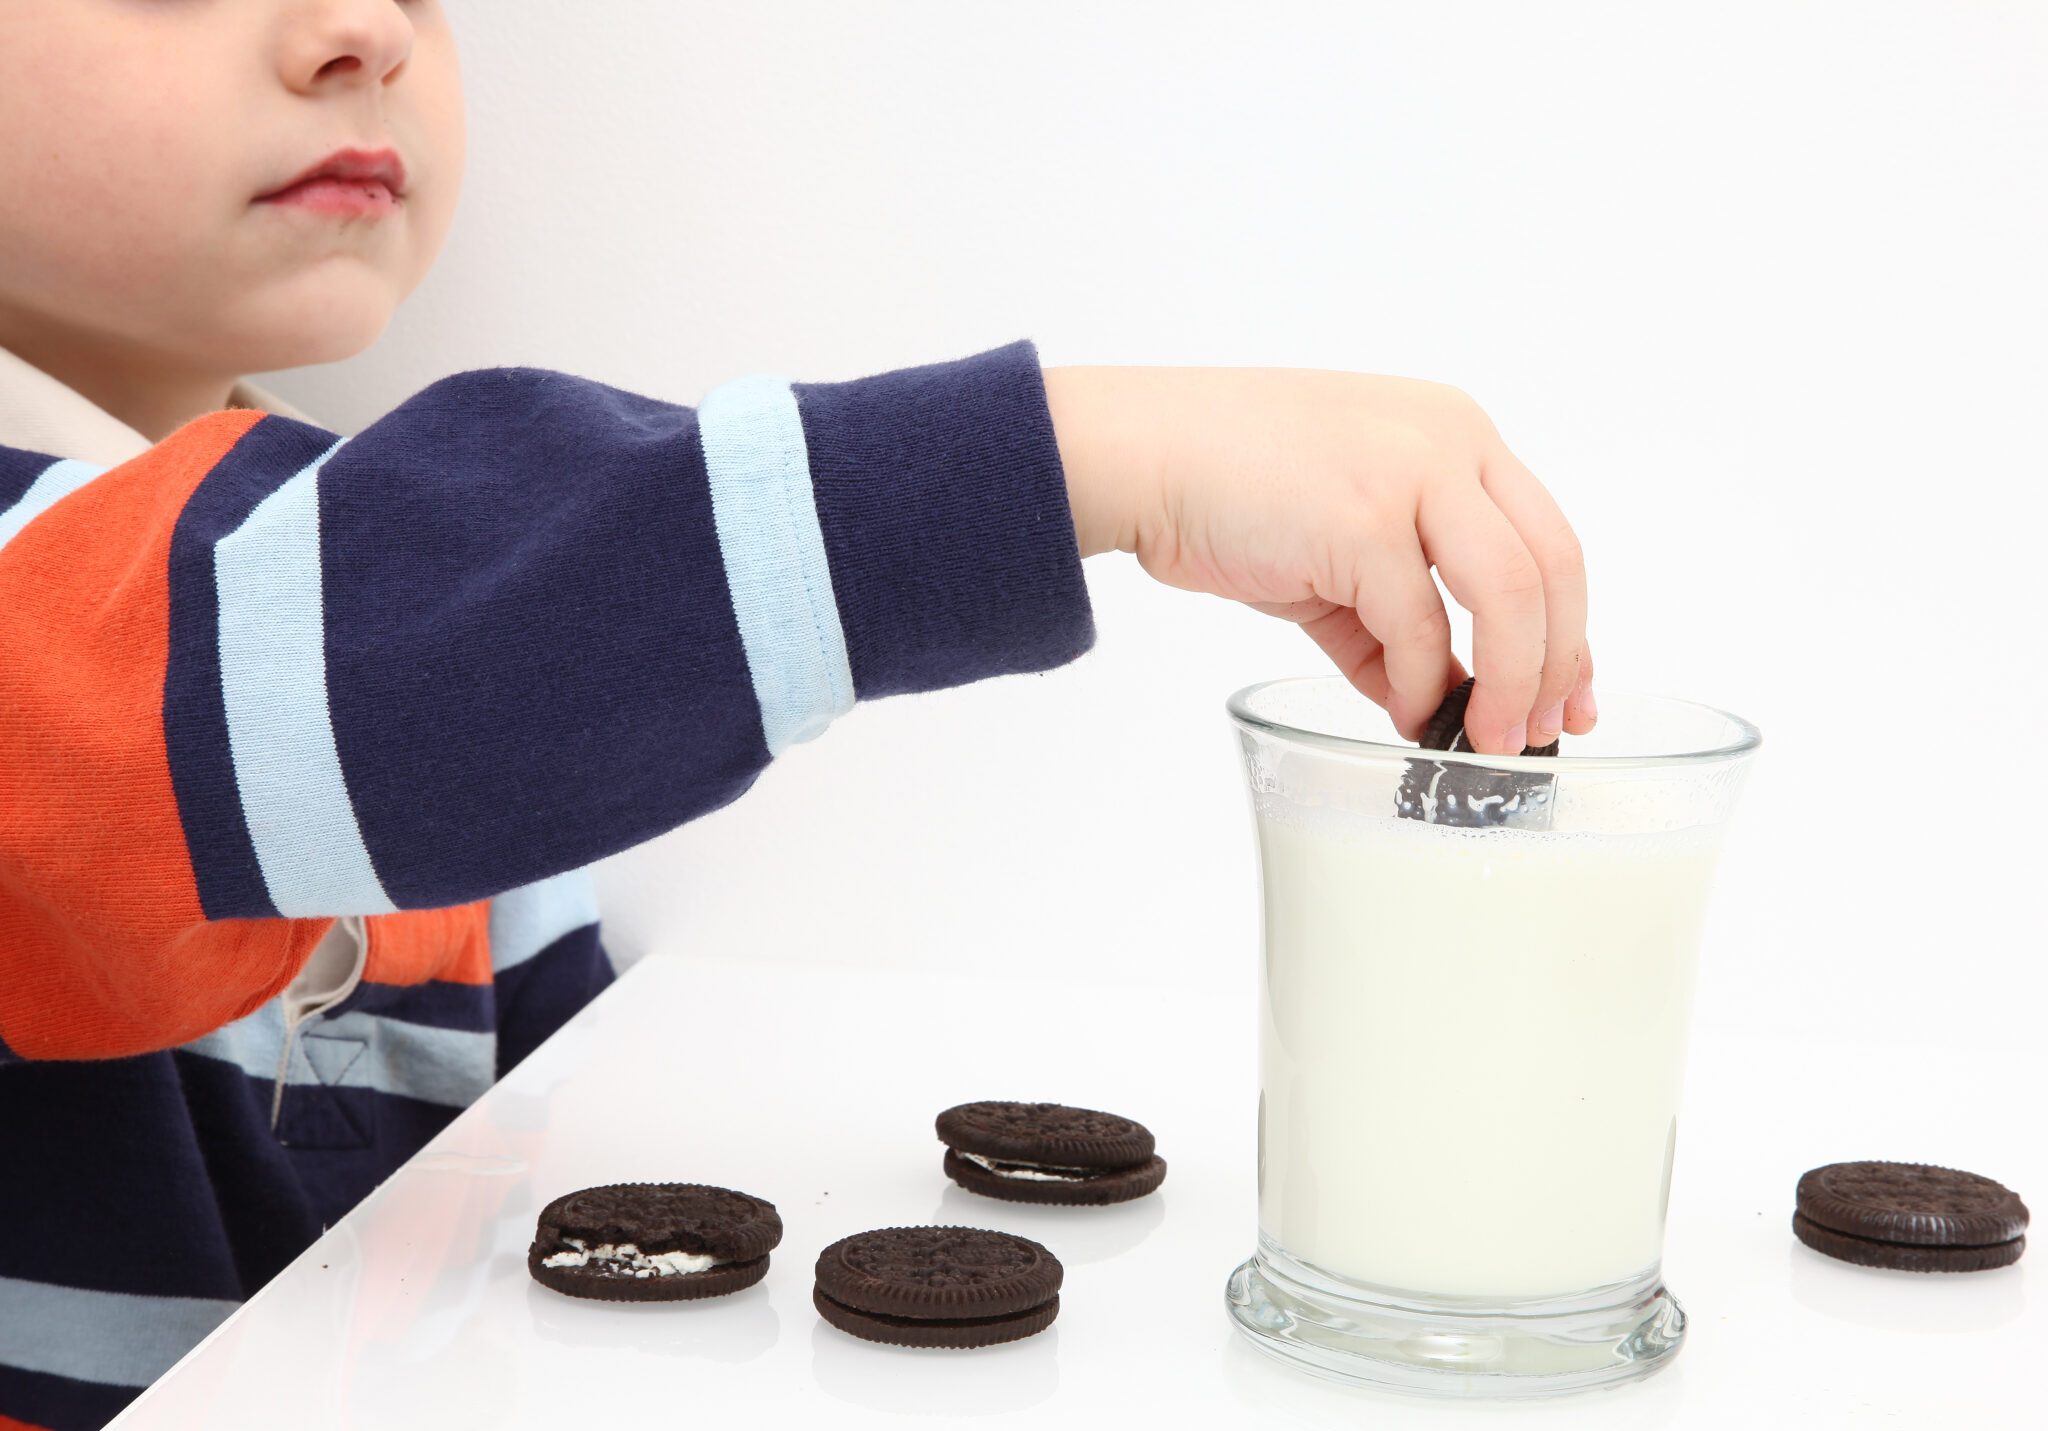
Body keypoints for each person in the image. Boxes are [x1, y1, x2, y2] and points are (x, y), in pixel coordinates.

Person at [0, 2, 1595, 1423]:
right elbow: (363, 657)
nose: (362, 30)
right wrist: (1083, 458)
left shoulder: (408, 657)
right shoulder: (382, 646)